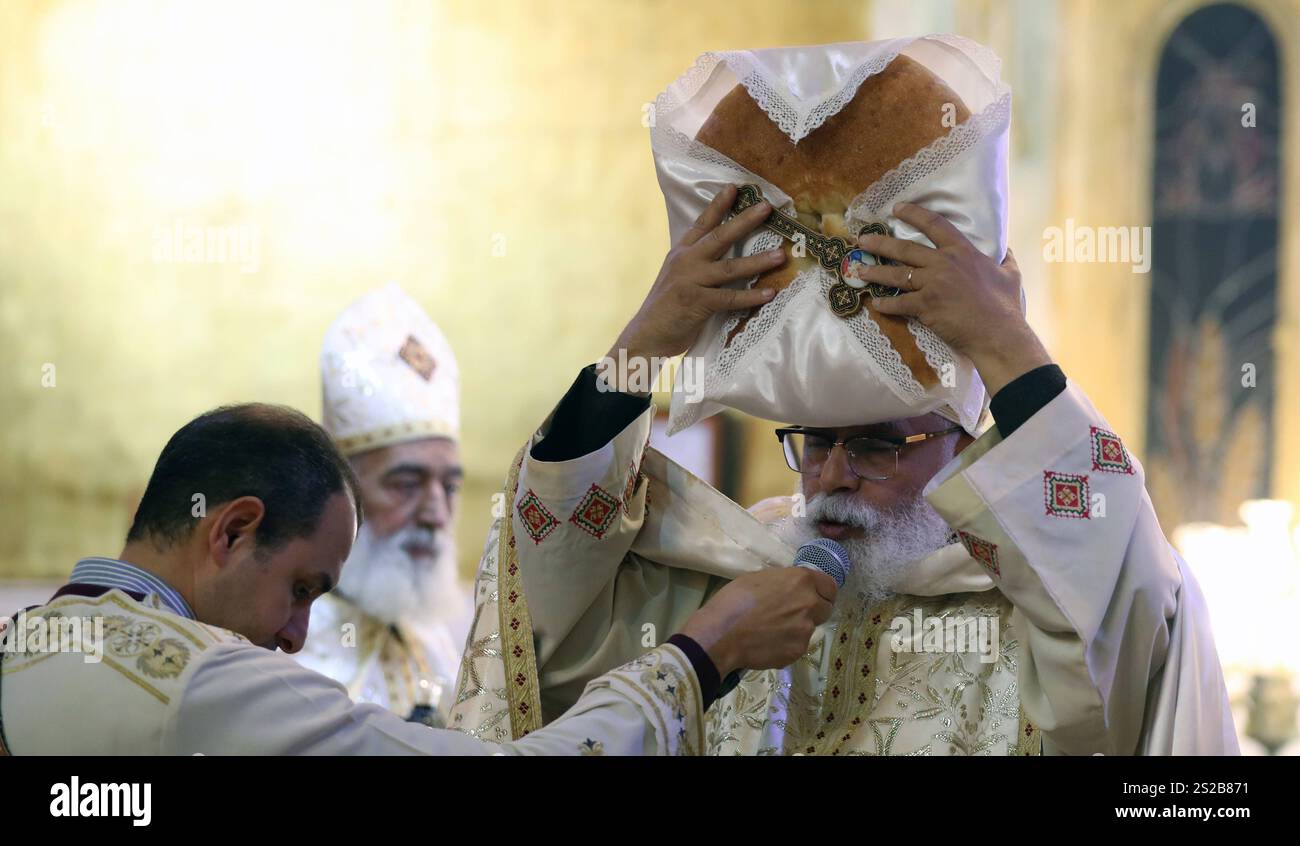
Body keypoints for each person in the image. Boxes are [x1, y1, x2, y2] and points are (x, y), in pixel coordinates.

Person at [449, 185, 1238, 755]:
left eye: (874, 446)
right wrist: (646, 343)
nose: (830, 477)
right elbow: (545, 598)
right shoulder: (727, 583)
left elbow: (1125, 605)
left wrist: (1006, 348)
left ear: (968, 450)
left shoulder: (1037, 614)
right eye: (815, 443)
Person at [0, 403, 834, 755]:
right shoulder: (198, 680)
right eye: (300, 587)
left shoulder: (27, 644)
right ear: (232, 529)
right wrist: (705, 647)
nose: (292, 637)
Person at [295, 284, 470, 726]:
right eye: (407, 484)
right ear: (340, 491)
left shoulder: (450, 638)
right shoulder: (282, 643)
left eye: (449, 486)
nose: (435, 513)